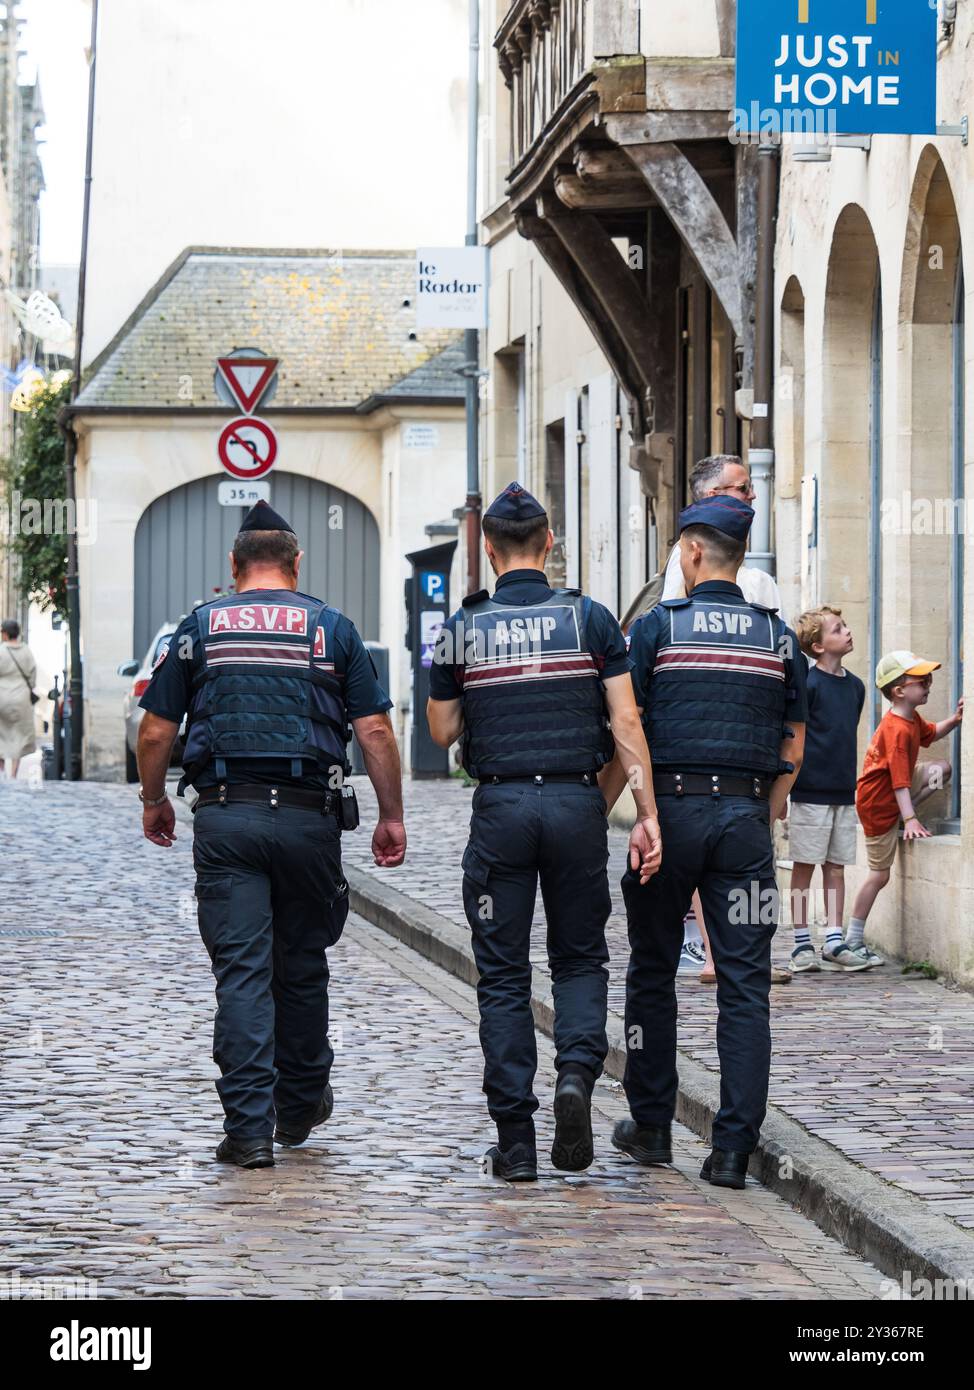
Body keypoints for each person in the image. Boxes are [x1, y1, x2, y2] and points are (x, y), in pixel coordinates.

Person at [136, 499, 406, 1169]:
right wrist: (391, 814)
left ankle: (249, 1129)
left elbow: (154, 730)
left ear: (233, 566)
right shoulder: (332, 630)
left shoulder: (199, 629)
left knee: (243, 974)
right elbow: (374, 730)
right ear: (296, 564)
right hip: (309, 822)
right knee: (303, 962)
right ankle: (301, 1100)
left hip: (227, 817)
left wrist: (153, 800)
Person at [427, 482, 661, 1183]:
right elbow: (626, 725)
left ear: (486, 549)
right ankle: (577, 1080)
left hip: (501, 809)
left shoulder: (462, 627)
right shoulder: (590, 620)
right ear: (551, 545)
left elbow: (441, 730)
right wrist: (644, 813)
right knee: (581, 958)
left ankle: (517, 1143)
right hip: (574, 807)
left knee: (502, 976)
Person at [602, 495, 807, 1191]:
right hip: (744, 821)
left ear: (692, 553)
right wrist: (765, 813)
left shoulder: (659, 627)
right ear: (737, 555)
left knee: (653, 970)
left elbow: (630, 729)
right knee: (746, 987)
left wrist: (646, 814)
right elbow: (795, 744)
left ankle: (652, 1128)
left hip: (674, 815)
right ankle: (731, 1152)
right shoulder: (779, 638)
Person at [848, 651, 963, 950]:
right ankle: (852, 938)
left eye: (929, 680)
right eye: (921, 681)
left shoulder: (910, 718)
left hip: (895, 792)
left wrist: (955, 719)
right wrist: (911, 818)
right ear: (899, 691)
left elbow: (931, 734)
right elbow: (899, 781)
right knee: (880, 874)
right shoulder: (896, 729)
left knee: (941, 770)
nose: (928, 685)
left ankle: (905, 815)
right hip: (877, 805)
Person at [787, 606, 869, 973]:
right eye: (839, 629)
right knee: (804, 866)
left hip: (842, 793)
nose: (848, 632)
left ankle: (834, 939)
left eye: (845, 626)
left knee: (836, 866)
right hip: (809, 793)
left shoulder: (856, 686)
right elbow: (795, 738)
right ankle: (802, 942)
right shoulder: (808, 685)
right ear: (818, 646)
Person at [0, 619, 38, 780]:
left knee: (1, 735)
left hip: (2, 696)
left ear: (6, 634)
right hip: (22, 698)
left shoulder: (1, 651)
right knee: (18, 735)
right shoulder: (26, 651)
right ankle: (14, 773)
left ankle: (2, 772)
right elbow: (32, 677)